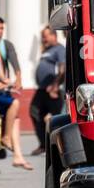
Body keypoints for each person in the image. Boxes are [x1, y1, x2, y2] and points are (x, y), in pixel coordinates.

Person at [0, 15, 31, 170]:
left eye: (1, 29)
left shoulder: (4, 47)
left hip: (0, 91)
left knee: (15, 116)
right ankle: (13, 151)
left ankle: (17, 154)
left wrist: (14, 82)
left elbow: (13, 66)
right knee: (14, 112)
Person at [30, 26, 66, 155]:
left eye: (45, 36)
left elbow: (62, 68)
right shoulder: (47, 50)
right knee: (34, 112)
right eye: (42, 37)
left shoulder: (59, 49)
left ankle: (61, 146)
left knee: (58, 118)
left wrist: (56, 85)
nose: (43, 39)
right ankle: (43, 145)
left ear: (53, 35)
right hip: (42, 90)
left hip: (53, 90)